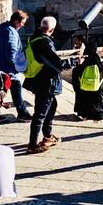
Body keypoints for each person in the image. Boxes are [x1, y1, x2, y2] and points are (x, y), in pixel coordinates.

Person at [25, 16, 73, 153]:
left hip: (39, 79)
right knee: (40, 113)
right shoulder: (44, 43)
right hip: (46, 82)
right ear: (51, 30)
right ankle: (32, 145)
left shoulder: (34, 38)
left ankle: (47, 136)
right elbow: (57, 64)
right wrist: (75, 61)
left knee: (52, 106)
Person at [0, 10, 31, 120]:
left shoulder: (2, 27)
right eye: (22, 23)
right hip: (7, 68)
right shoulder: (11, 32)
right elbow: (11, 53)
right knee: (16, 88)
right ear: (16, 21)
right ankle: (22, 112)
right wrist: (18, 66)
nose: (23, 25)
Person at [71, 37, 103, 121]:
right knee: (96, 99)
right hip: (95, 85)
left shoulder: (86, 57)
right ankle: (97, 116)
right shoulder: (96, 58)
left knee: (84, 99)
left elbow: (79, 71)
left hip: (84, 85)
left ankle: (84, 115)